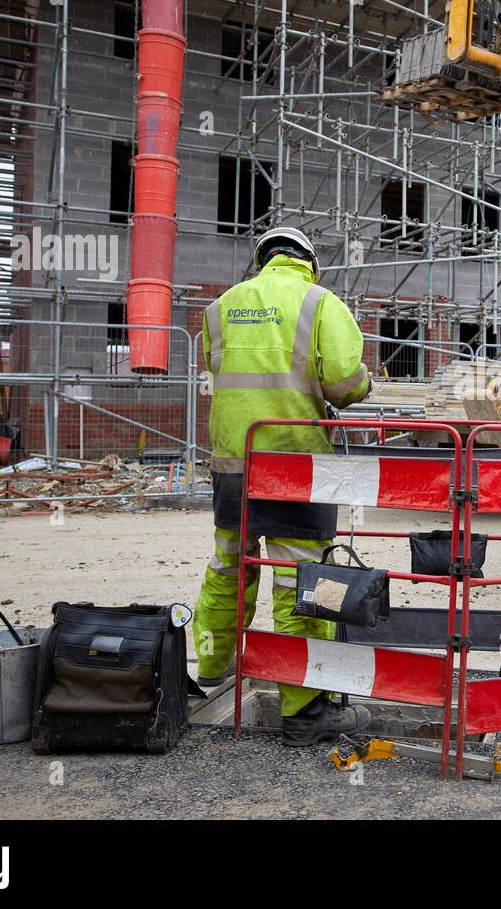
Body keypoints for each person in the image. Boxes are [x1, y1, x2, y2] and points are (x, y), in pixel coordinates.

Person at [194, 226, 375, 747]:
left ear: (263, 260)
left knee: (229, 564)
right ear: (310, 264)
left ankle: (212, 668)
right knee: (305, 581)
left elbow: (220, 369)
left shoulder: (221, 306)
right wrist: (365, 383)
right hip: (297, 466)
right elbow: (343, 381)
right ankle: (305, 706)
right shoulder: (319, 302)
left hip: (235, 464)